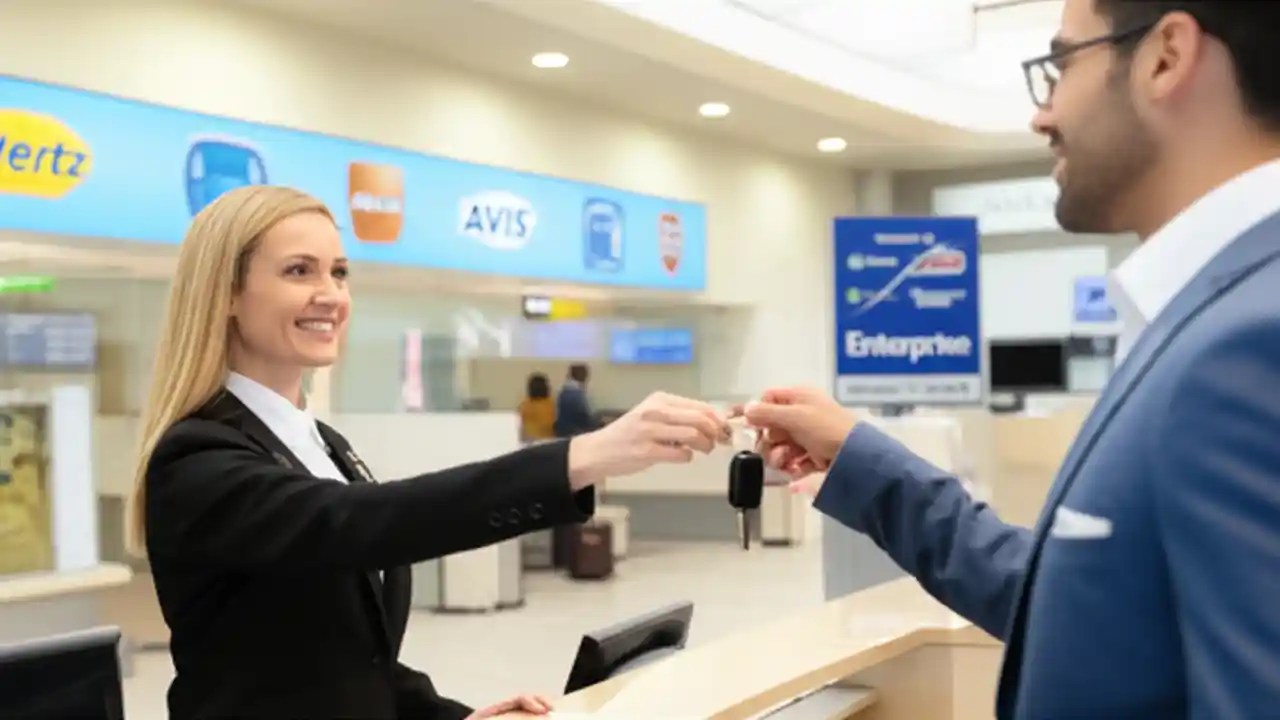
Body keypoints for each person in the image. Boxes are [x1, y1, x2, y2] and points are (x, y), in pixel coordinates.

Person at [744, 2, 1280, 718]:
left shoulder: (1249, 344)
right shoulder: (1205, 313)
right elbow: (1085, 609)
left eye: (1061, 67)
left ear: (1165, 57)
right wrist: (863, 462)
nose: (1042, 115)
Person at [129, 185, 731, 720]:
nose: (330, 295)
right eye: (298, 271)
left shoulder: (320, 446)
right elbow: (369, 522)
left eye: (339, 272)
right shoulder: (196, 459)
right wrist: (582, 456)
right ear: (226, 294)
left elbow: (351, 660)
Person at [553, 363, 596, 439]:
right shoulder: (576, 393)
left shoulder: (564, 391)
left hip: (562, 432)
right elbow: (583, 418)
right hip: (574, 433)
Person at [517, 373, 556, 444]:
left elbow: (522, 426)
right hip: (548, 442)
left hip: (530, 442)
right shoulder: (551, 404)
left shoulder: (524, 405)